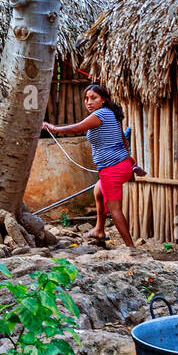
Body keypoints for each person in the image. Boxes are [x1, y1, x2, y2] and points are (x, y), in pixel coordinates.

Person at [43, 84, 146, 248]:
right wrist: (131, 163)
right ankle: (99, 229)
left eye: (93, 98)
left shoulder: (100, 114)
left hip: (112, 169)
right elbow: (123, 140)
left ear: (103, 100)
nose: (89, 102)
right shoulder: (112, 114)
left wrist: (53, 128)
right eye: (86, 98)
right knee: (98, 191)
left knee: (115, 210)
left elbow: (76, 128)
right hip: (123, 165)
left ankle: (131, 248)